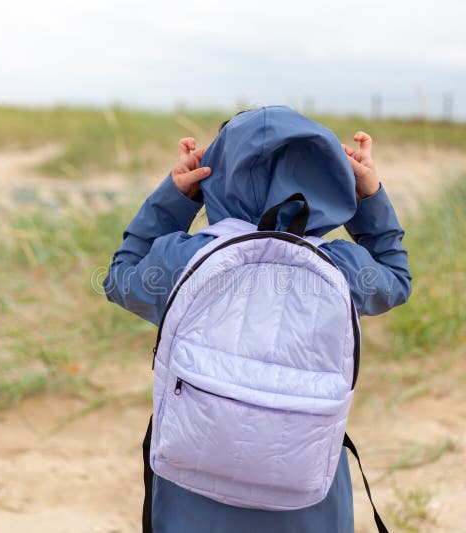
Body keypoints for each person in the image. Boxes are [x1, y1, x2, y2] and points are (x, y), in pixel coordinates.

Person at [104, 106, 411, 533]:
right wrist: (368, 198)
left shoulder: (184, 258)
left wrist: (175, 197)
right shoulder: (342, 267)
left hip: (192, 485)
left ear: (215, 175)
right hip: (306, 494)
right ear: (330, 180)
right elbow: (397, 277)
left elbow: (120, 276)